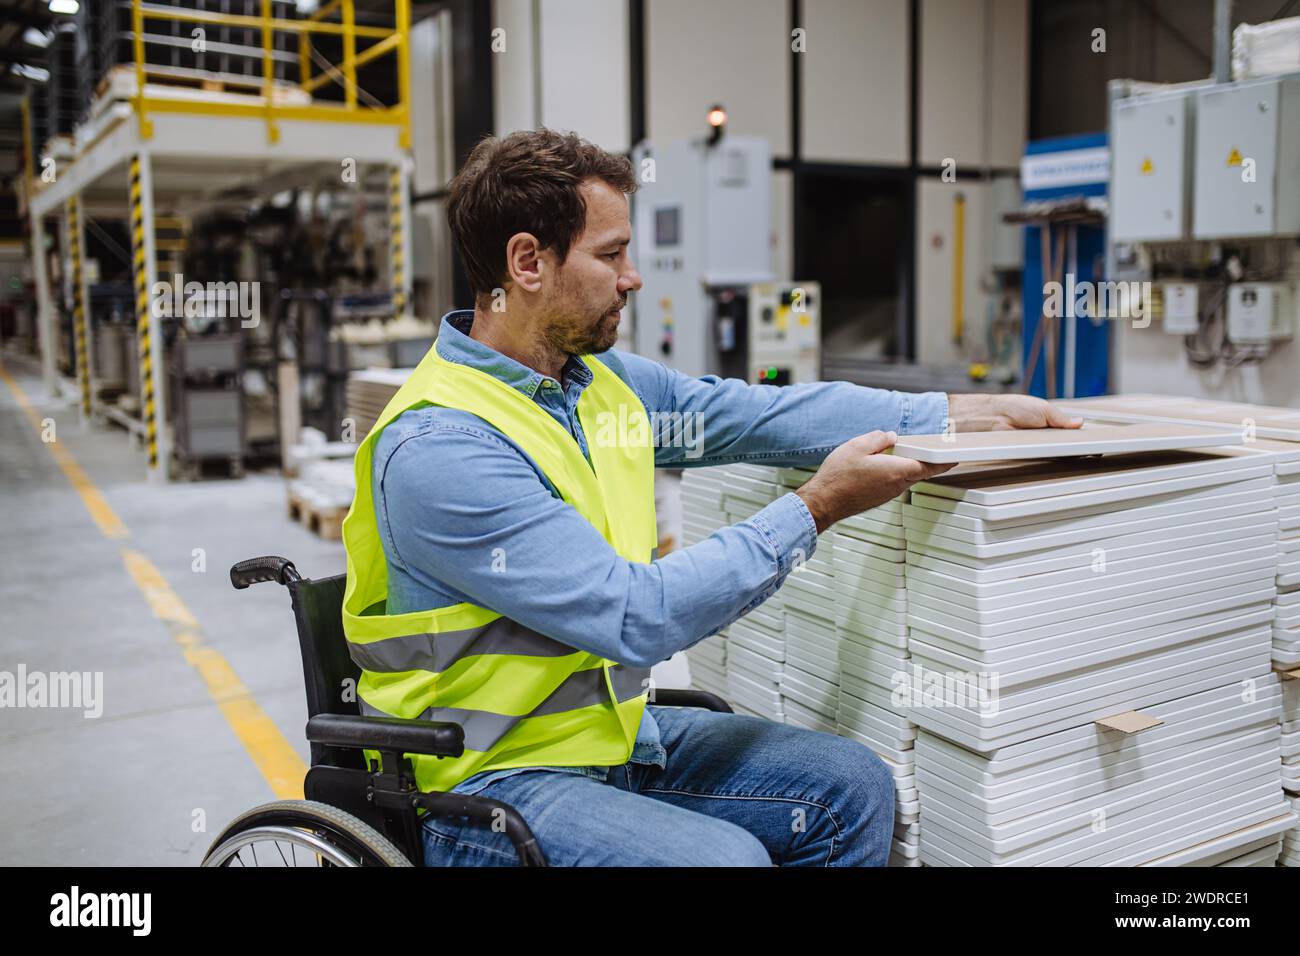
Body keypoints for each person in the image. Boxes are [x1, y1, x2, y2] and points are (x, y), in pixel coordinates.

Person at [340, 128, 1082, 867]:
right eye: (611, 254)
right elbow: (636, 615)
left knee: (850, 788)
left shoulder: (601, 386)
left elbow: (756, 415)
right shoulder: (441, 446)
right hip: (485, 787)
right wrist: (815, 507)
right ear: (527, 262)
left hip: (617, 742)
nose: (632, 277)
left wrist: (947, 415)